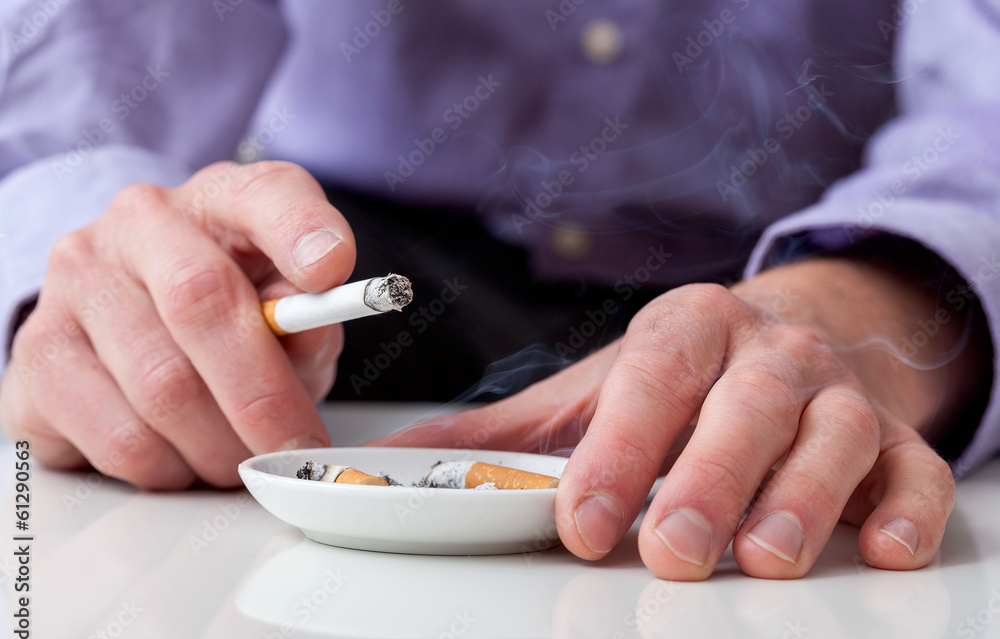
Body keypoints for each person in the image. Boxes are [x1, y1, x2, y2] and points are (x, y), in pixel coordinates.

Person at [0, 0, 996, 582]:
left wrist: (878, 300)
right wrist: (86, 281)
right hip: (365, 269)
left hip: (806, 280)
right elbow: (80, 82)